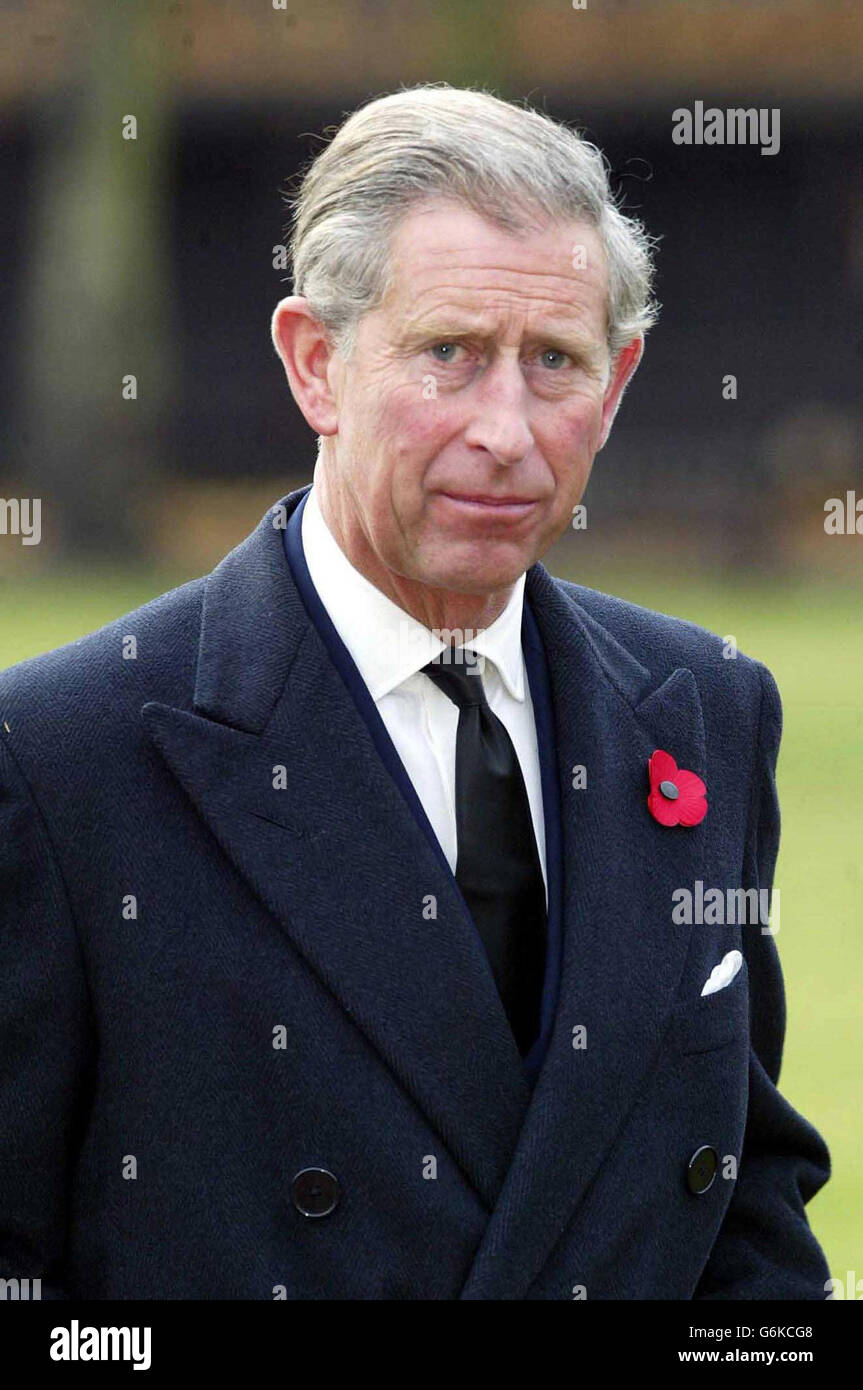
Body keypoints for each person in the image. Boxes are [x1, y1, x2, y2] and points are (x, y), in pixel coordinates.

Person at [0, 85, 830, 1299]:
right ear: (315, 364)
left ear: (618, 381)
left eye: (554, 362)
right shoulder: (59, 757)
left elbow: (742, 1211)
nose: (506, 429)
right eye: (449, 354)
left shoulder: (704, 708)